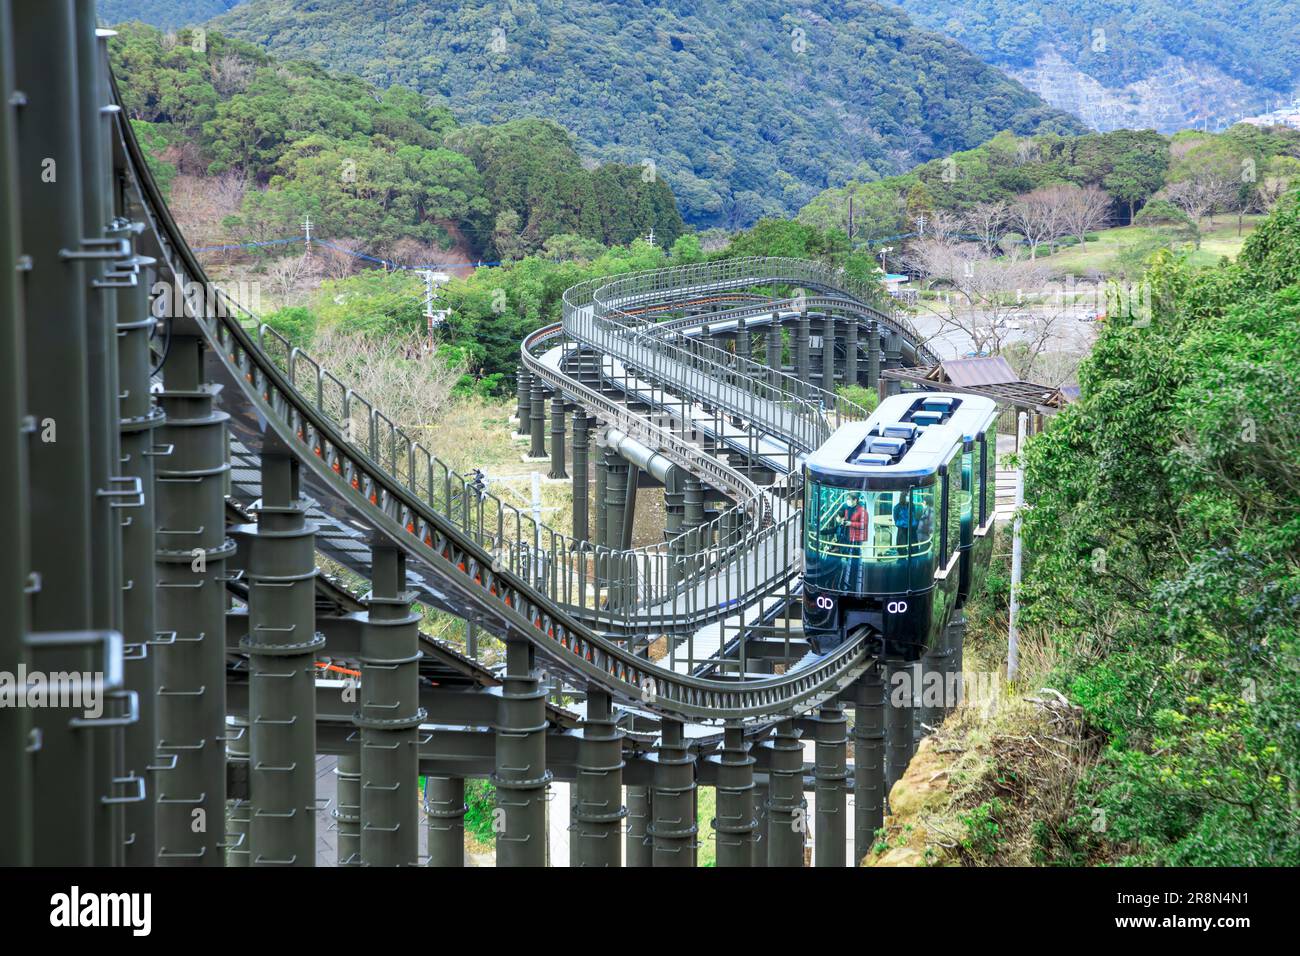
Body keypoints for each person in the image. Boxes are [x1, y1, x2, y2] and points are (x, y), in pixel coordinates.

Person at [835, 492, 869, 589]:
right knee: (845, 557)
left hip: (856, 538)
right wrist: (839, 519)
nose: (848, 501)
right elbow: (840, 514)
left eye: (850, 499)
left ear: (855, 500)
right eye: (848, 499)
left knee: (855, 559)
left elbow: (863, 525)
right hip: (846, 536)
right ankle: (844, 579)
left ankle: (853, 580)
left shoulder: (861, 510)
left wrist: (851, 523)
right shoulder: (846, 507)